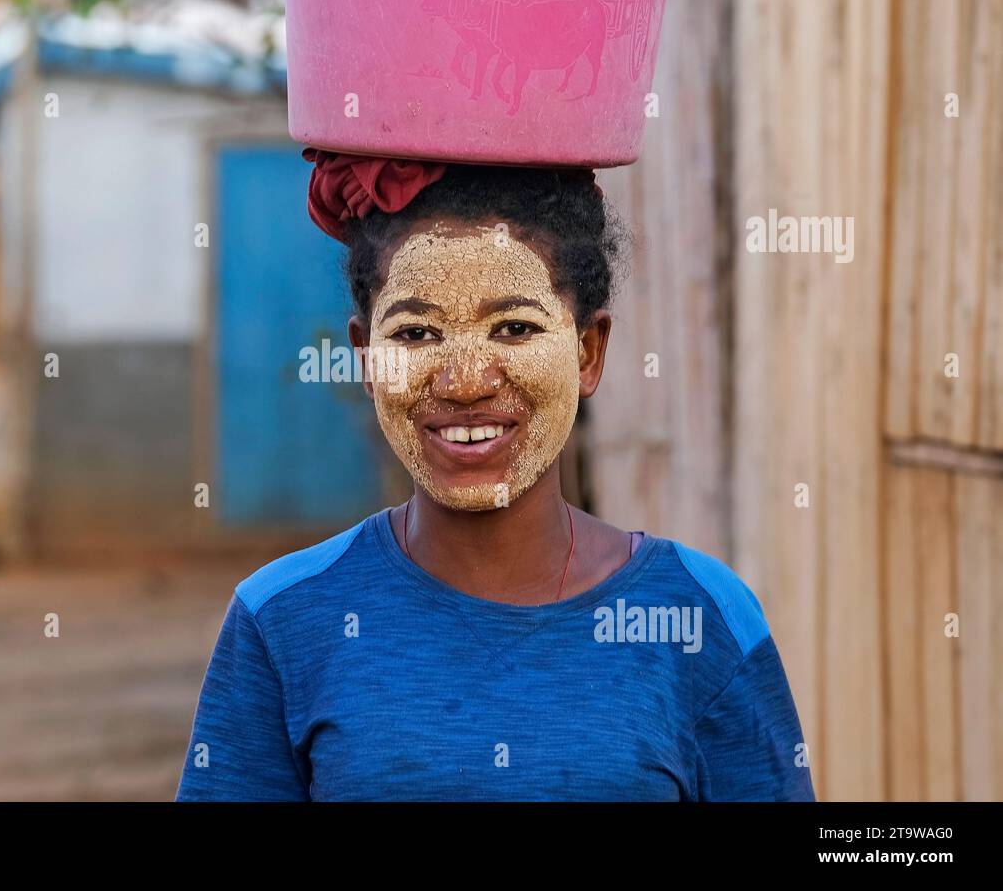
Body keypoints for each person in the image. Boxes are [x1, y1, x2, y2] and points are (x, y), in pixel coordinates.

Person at [175, 154, 815, 801]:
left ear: (587, 352)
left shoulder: (700, 616)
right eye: (418, 333)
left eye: (514, 328)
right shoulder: (283, 619)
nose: (465, 382)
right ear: (367, 359)